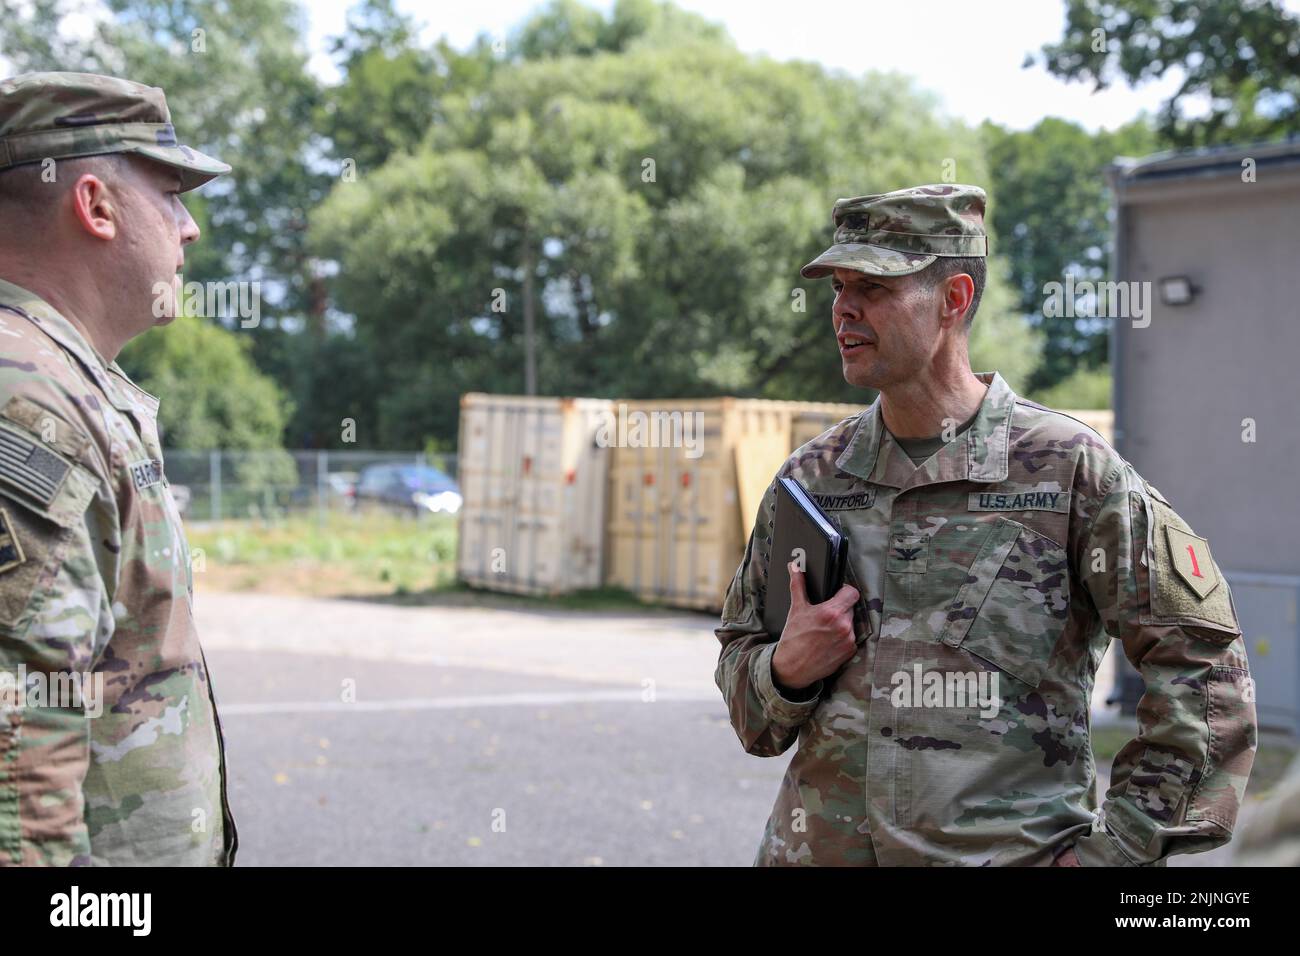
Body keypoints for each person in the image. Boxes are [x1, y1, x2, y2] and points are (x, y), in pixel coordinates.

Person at [714, 183, 1258, 866]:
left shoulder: (1069, 471)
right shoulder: (813, 480)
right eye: (837, 288)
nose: (843, 309)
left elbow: (1208, 676)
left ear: (955, 298)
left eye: (873, 287)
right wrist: (787, 669)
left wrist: (1115, 853)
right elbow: (748, 705)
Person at [0, 72, 236, 865]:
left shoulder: (63, 379)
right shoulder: (24, 399)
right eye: (171, 192)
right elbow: (16, 755)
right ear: (96, 206)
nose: (190, 227)